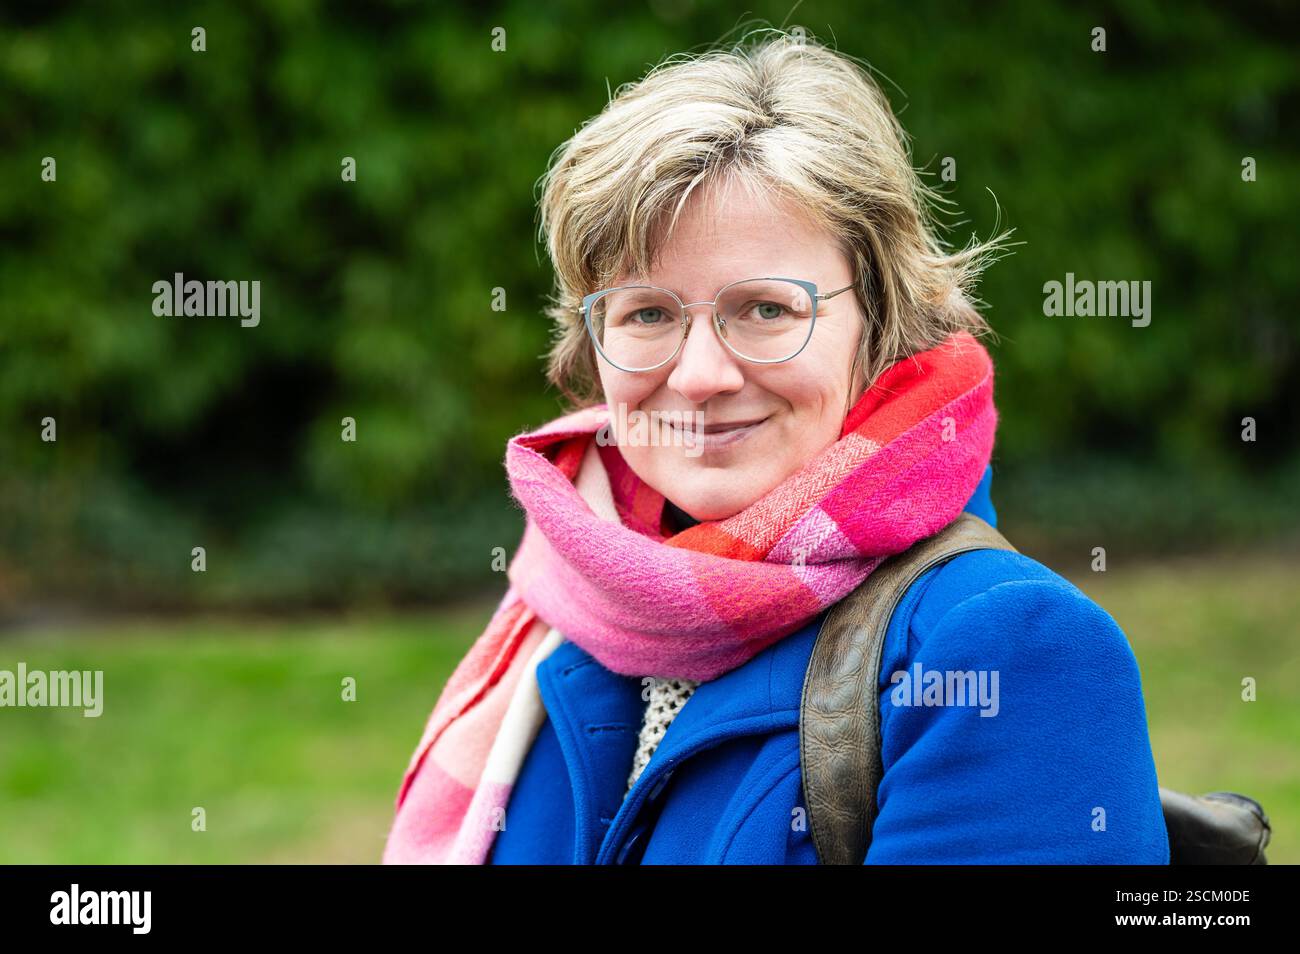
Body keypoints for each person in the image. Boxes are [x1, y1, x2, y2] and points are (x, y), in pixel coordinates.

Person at [382, 31, 1169, 865]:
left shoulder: (1002, 647)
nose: (701, 375)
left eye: (764, 309)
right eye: (647, 313)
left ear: (880, 319)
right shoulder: (572, 605)